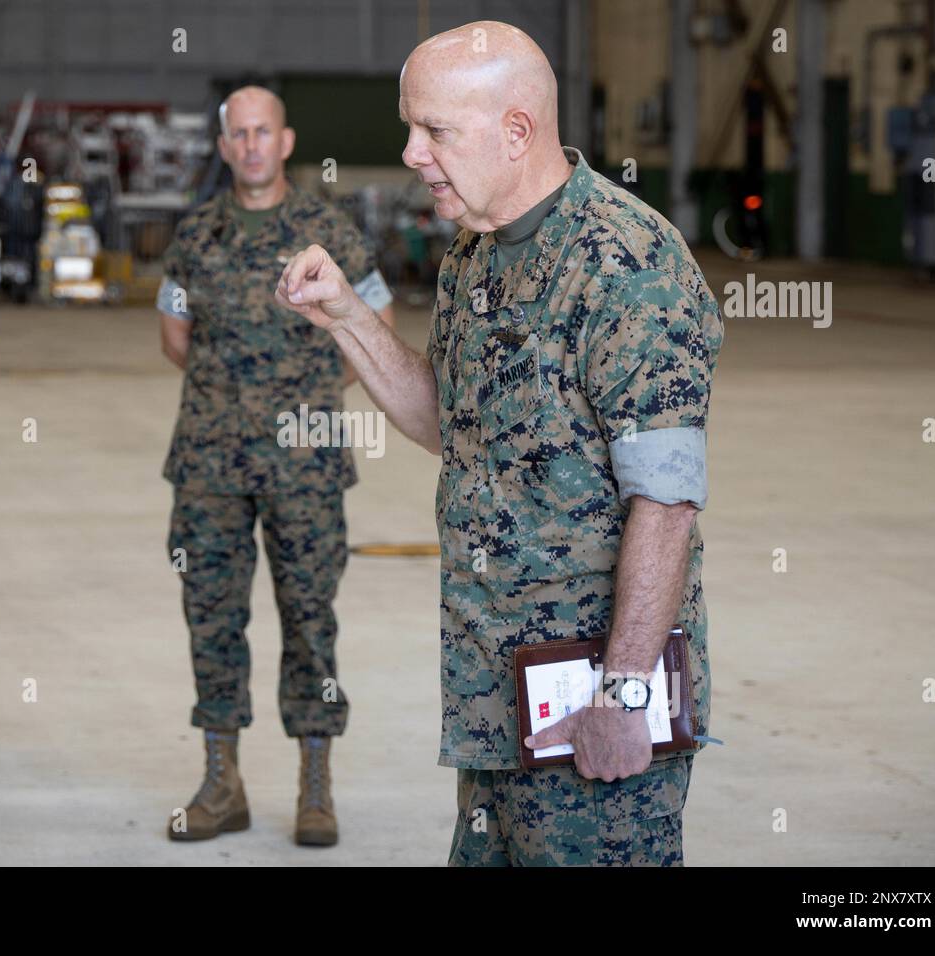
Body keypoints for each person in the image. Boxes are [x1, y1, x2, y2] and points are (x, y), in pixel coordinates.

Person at [276, 22, 723, 866]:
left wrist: (625, 696)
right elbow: (453, 426)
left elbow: (666, 502)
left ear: (516, 131)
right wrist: (344, 315)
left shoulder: (627, 267)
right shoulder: (475, 255)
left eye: (434, 130)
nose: (411, 153)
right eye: (411, 127)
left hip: (589, 689)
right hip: (494, 687)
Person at [157, 86, 395, 846]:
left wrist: (311, 395)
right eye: (239, 135)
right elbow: (174, 334)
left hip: (307, 464)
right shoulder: (196, 234)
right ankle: (222, 781)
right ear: (224, 147)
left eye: (264, 132)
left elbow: (376, 325)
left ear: (285, 141)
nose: (253, 145)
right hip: (209, 462)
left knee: (309, 618)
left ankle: (315, 782)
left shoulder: (329, 230)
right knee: (212, 619)